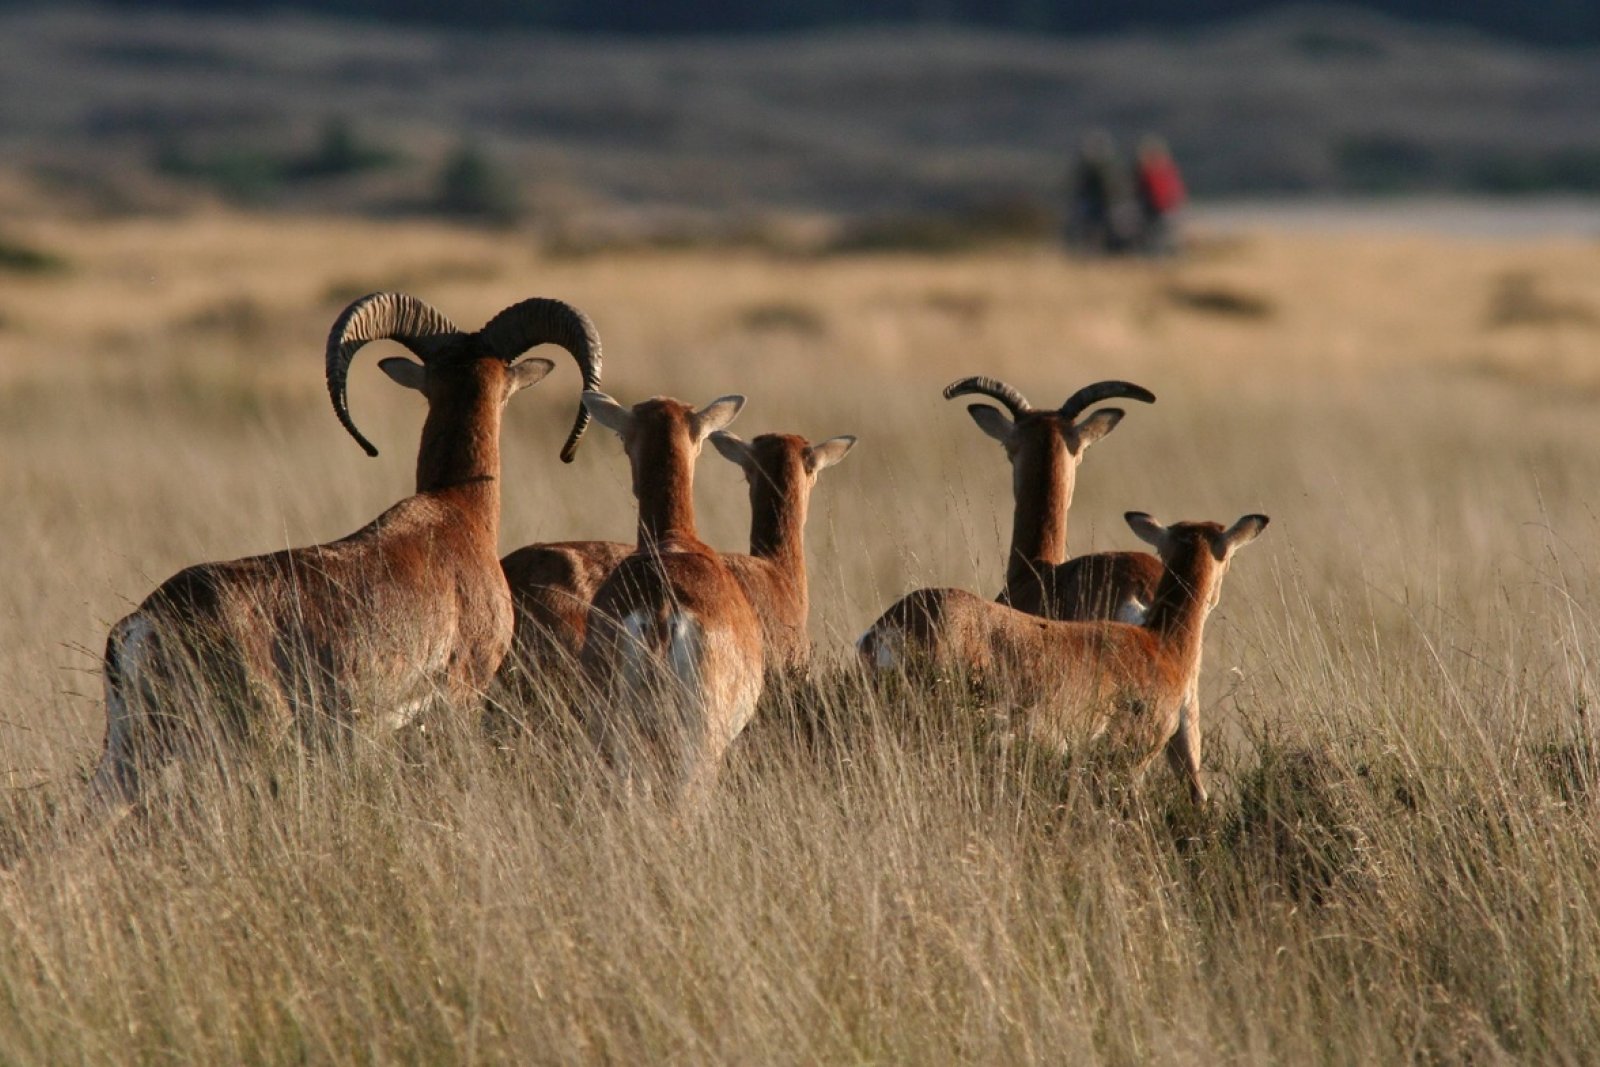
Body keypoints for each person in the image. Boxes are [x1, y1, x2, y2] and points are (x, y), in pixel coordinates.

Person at [1065, 130, 1139, 255]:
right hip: (1106, 206)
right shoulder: (1109, 167)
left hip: (1104, 207)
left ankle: (1101, 251)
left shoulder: (1097, 170)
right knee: (1100, 230)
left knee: (1100, 230)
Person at [1133, 135, 1187, 255]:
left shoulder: (1149, 172)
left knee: (1158, 236)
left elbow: (1144, 192)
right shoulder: (1167, 169)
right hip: (1170, 207)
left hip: (1159, 209)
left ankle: (1160, 256)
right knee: (1167, 235)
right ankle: (1168, 255)